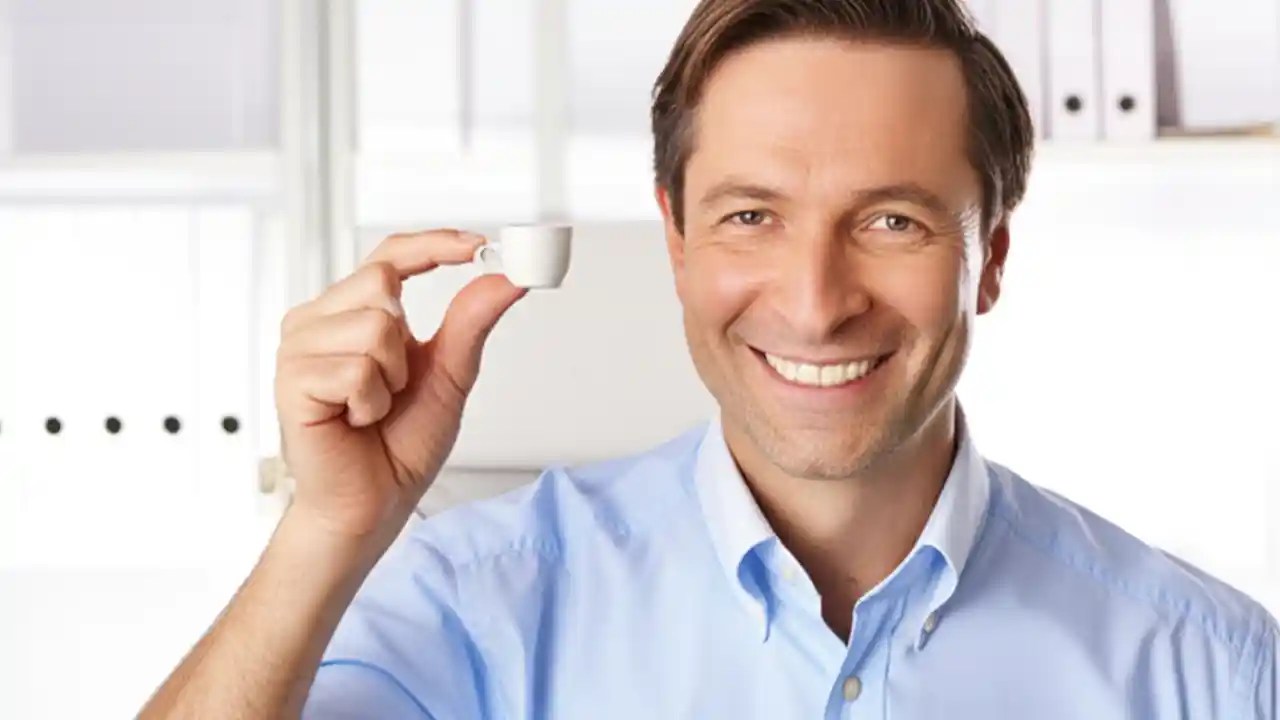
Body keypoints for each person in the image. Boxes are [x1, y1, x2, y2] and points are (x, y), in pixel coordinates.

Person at [141, 0, 1278, 717]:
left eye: (891, 221)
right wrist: (325, 535)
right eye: (750, 217)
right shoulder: (474, 610)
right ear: (674, 241)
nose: (815, 303)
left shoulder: (1208, 670)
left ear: (988, 260)